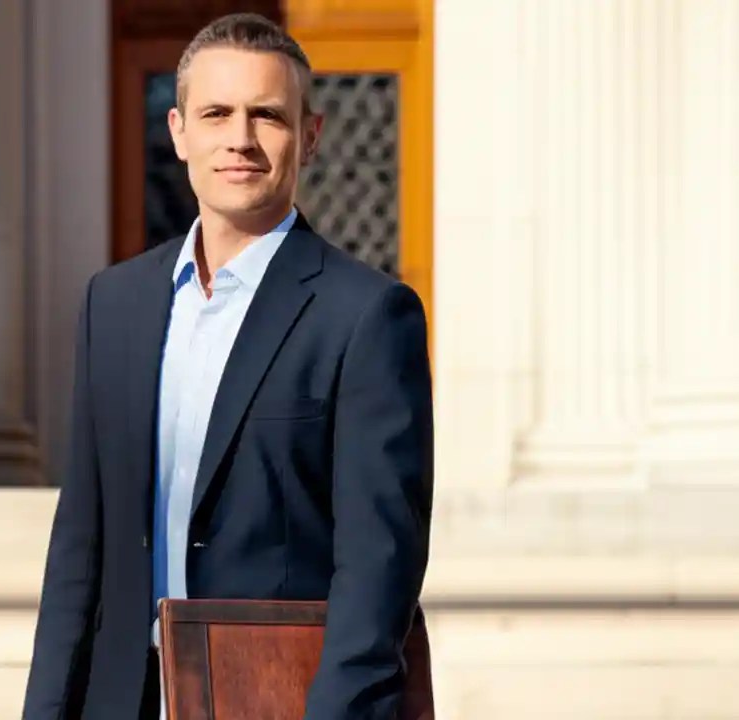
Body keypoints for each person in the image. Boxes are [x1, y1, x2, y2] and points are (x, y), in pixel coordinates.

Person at [21, 12, 433, 720]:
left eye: (266, 116)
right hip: (123, 699)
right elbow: (79, 550)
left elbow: (378, 568)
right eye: (216, 113)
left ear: (309, 135)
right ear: (179, 131)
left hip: (281, 696)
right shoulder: (112, 304)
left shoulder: (368, 315)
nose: (239, 139)